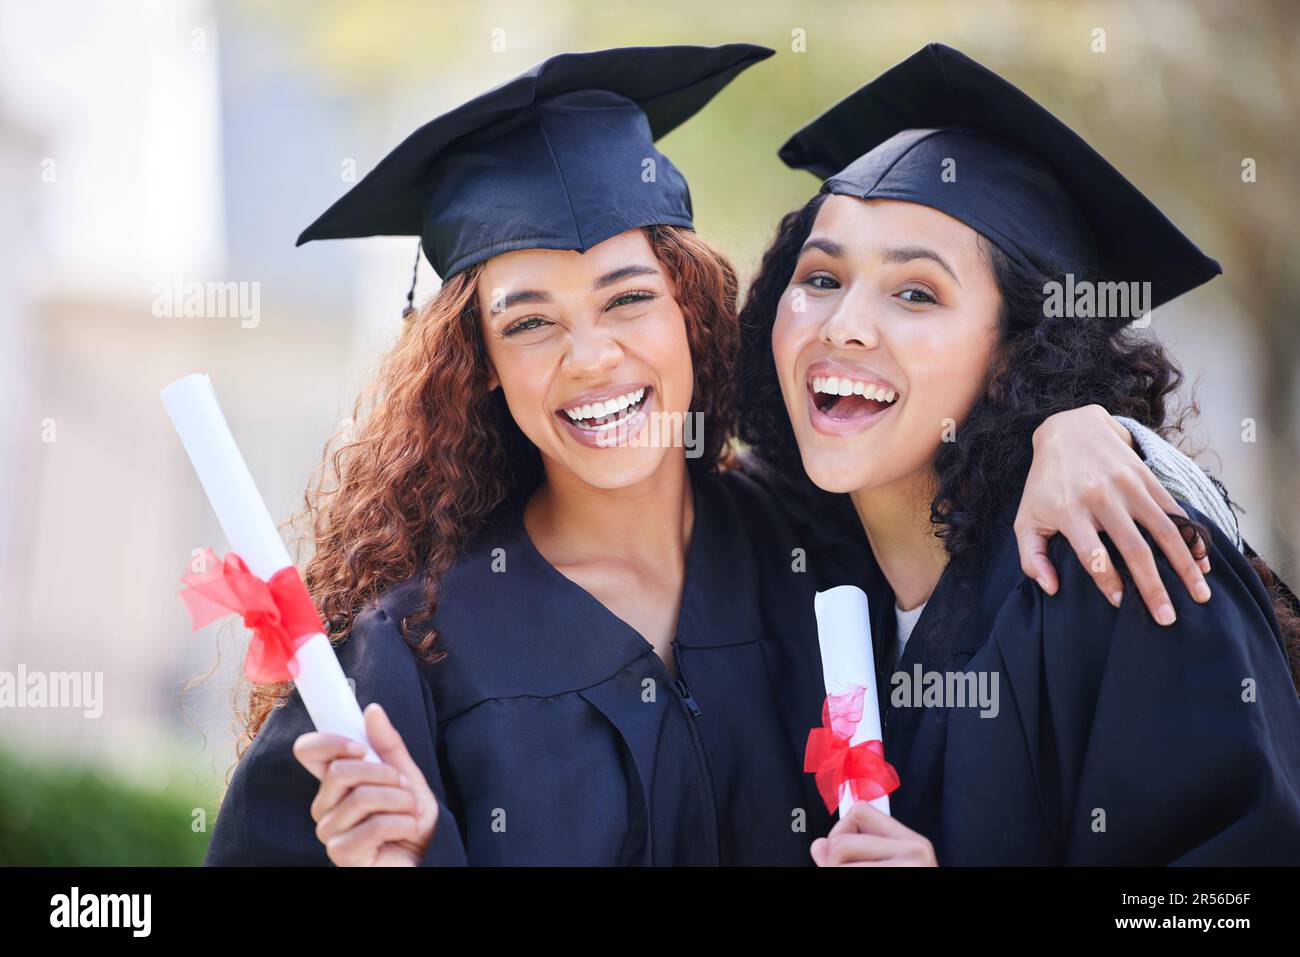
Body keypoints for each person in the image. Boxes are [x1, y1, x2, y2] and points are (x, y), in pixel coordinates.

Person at [204, 44, 1236, 867]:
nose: (590, 356)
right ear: (476, 368)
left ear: (694, 308)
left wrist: (1082, 424)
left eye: (627, 298)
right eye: (527, 324)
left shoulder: (834, 548)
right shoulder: (407, 657)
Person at [738, 43, 1300, 865]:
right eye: (820, 277)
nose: (843, 324)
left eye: (915, 292)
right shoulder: (798, 562)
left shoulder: (1114, 562)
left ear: (1019, 353)